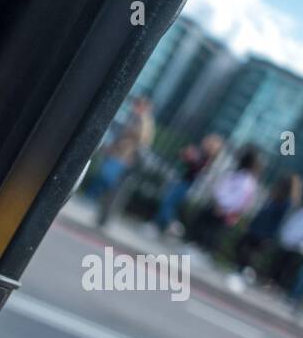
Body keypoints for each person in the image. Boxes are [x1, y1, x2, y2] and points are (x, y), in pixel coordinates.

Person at [89, 96, 154, 227]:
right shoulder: (134, 118)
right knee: (110, 186)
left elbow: (141, 142)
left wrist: (131, 156)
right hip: (119, 155)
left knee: (114, 188)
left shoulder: (144, 121)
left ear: (144, 107)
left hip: (125, 158)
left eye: (138, 105)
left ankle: (104, 218)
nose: (134, 107)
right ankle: (102, 216)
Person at [190, 146, 261, 255]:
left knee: (213, 233)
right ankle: (196, 246)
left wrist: (225, 208)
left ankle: (203, 252)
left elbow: (240, 199)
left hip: (227, 211)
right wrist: (218, 201)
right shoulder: (237, 174)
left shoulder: (248, 181)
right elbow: (223, 187)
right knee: (202, 224)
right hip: (219, 205)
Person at [153, 133, 222, 235]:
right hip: (181, 180)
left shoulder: (205, 158)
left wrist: (191, 158)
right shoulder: (199, 152)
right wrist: (186, 155)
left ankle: (171, 224)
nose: (205, 141)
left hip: (186, 183)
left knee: (168, 202)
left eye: (209, 141)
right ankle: (159, 225)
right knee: (168, 202)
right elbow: (182, 157)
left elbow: (196, 169)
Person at [235, 174, 301, 275]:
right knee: (243, 245)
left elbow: (280, 221)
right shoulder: (275, 196)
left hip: (266, 232)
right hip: (257, 227)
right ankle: (243, 269)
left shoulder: (287, 203)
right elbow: (262, 211)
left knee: (252, 252)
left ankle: (245, 270)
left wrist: (270, 236)